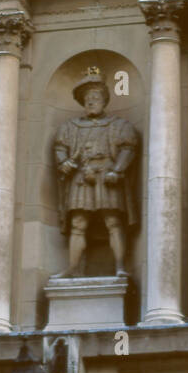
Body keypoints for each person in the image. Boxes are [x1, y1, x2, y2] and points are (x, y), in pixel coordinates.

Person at [54, 64, 139, 278]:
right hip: (82, 177)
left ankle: (120, 266)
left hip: (107, 175)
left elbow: (128, 147)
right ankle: (73, 269)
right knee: (78, 223)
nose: (91, 100)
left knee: (113, 221)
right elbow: (60, 148)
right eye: (87, 97)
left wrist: (117, 171)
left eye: (95, 96)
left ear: (104, 99)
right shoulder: (70, 127)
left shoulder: (118, 125)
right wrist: (64, 162)